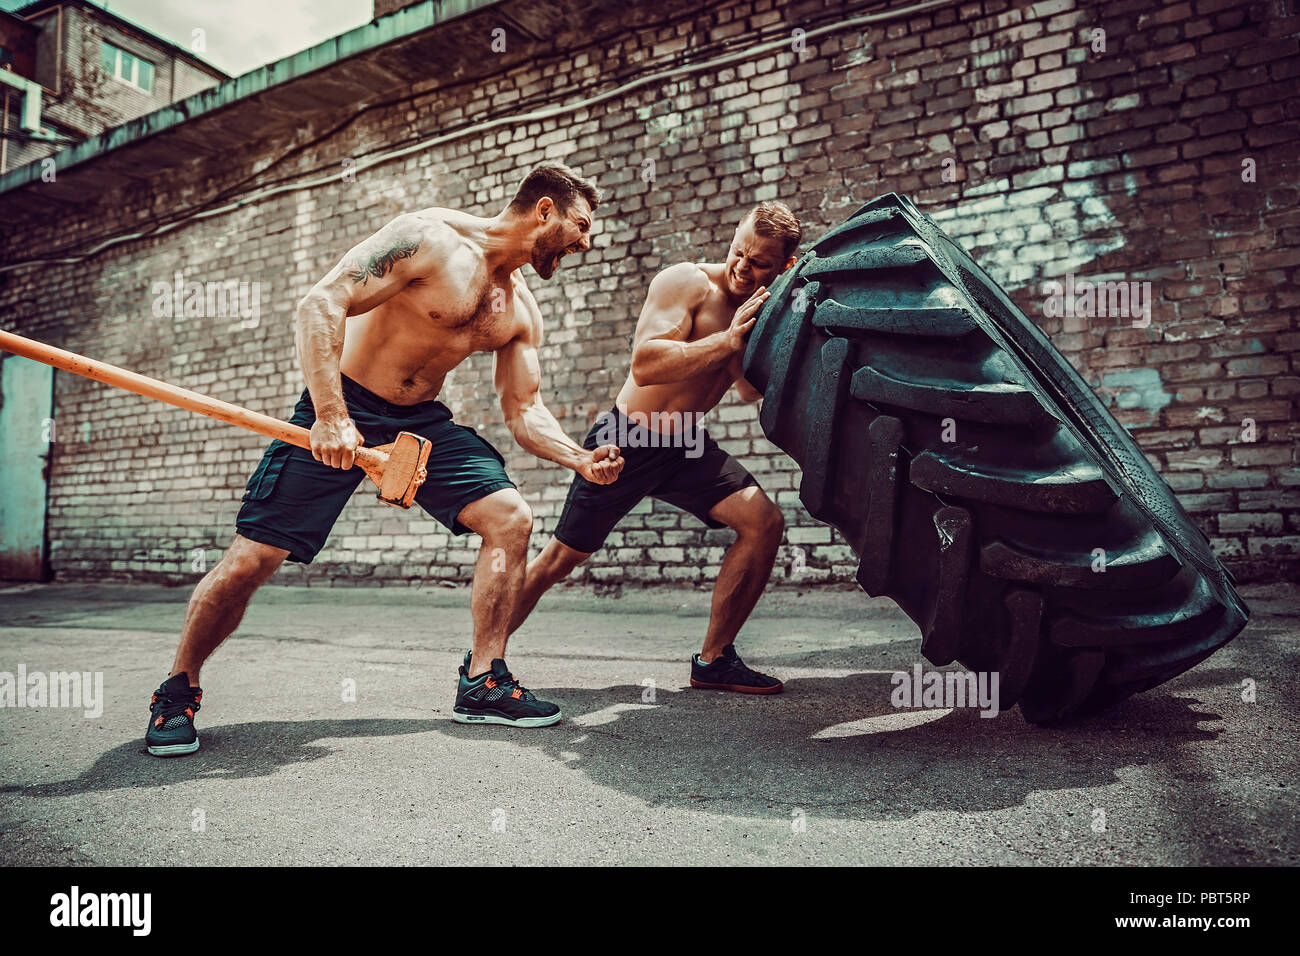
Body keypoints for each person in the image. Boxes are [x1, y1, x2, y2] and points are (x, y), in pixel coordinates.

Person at [146, 161, 624, 755]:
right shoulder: (430, 239)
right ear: (544, 210)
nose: (587, 241)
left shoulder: (519, 308)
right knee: (253, 559)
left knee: (510, 519)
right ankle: (177, 690)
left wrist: (578, 458)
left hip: (420, 420)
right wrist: (330, 415)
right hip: (343, 404)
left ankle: (483, 680)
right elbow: (321, 303)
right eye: (581, 225)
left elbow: (524, 411)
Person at [509, 201, 801, 695]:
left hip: (686, 446)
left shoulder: (759, 309)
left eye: (760, 263)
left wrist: (768, 339)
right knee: (559, 559)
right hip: (628, 439)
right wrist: (728, 342)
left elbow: (750, 391)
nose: (742, 268)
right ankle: (482, 658)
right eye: (738, 252)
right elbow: (646, 364)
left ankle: (713, 661)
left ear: (786, 266)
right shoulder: (687, 282)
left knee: (763, 523)